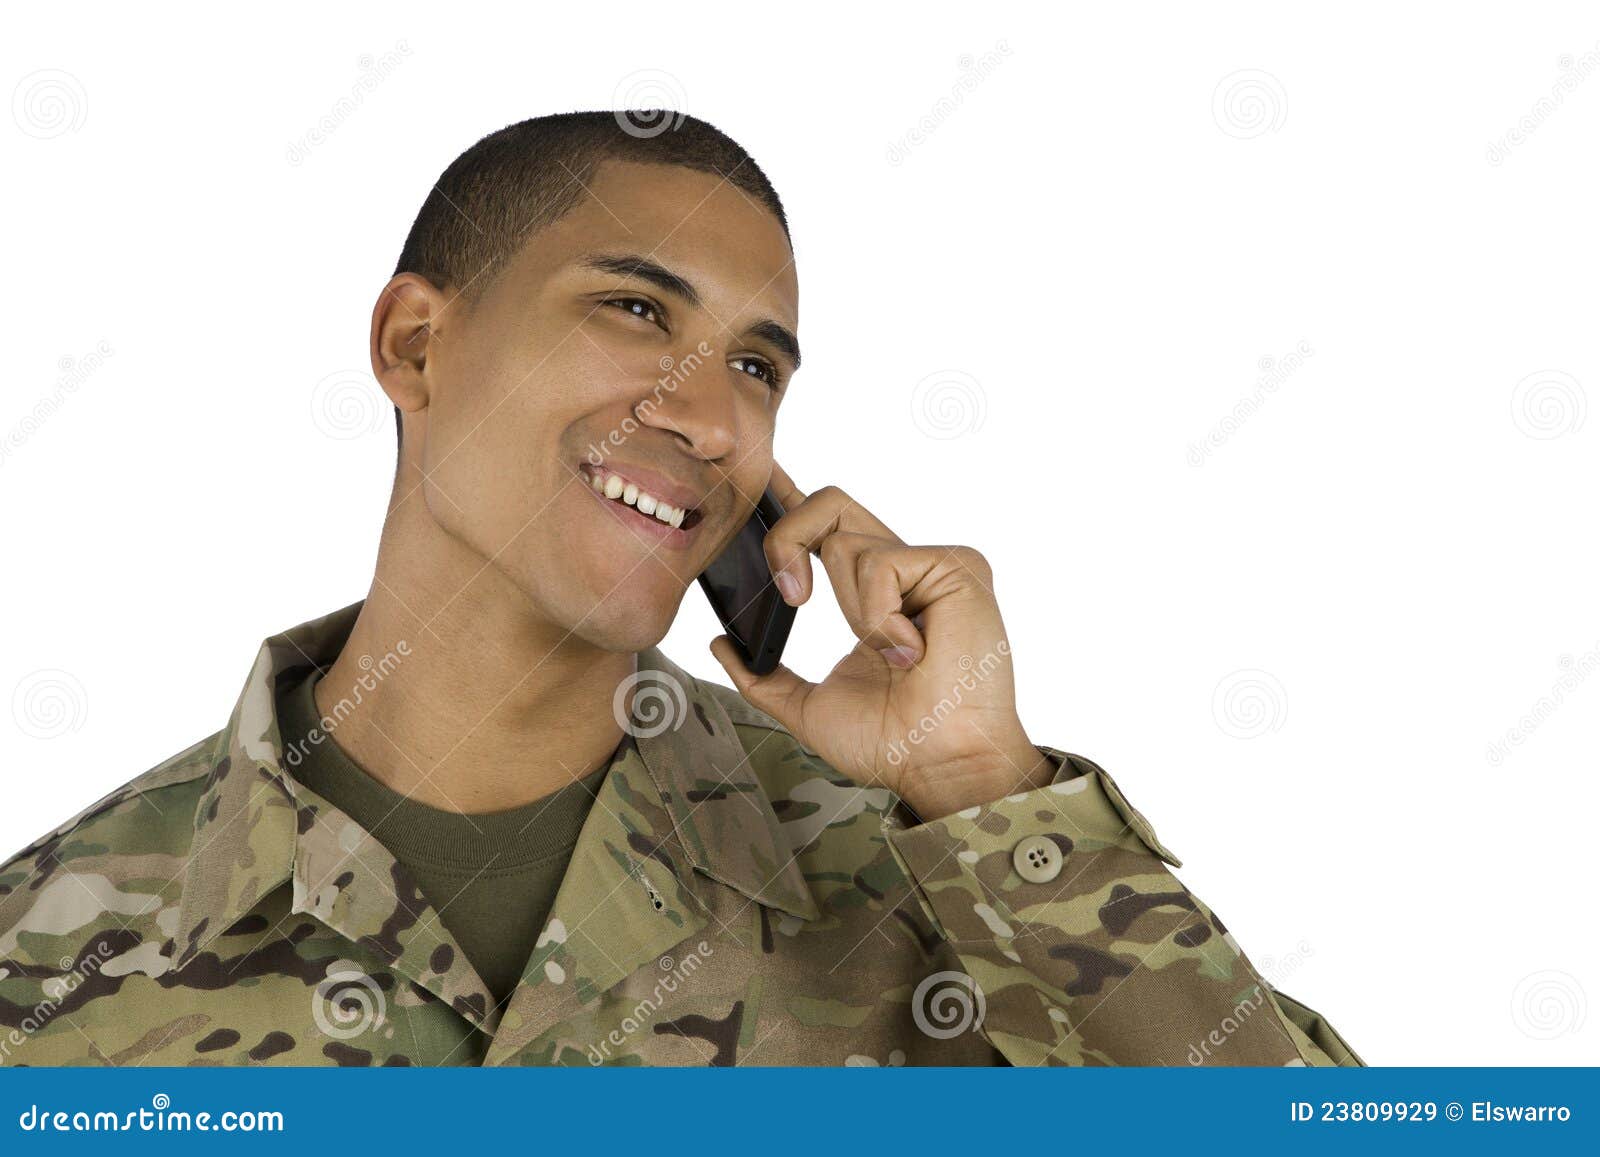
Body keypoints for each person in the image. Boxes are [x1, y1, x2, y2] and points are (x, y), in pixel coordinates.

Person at [0, 111, 1360, 1067]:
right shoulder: (46, 966)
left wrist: (986, 790)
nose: (710, 417)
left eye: (758, 367)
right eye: (638, 311)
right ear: (417, 343)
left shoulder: (934, 894)